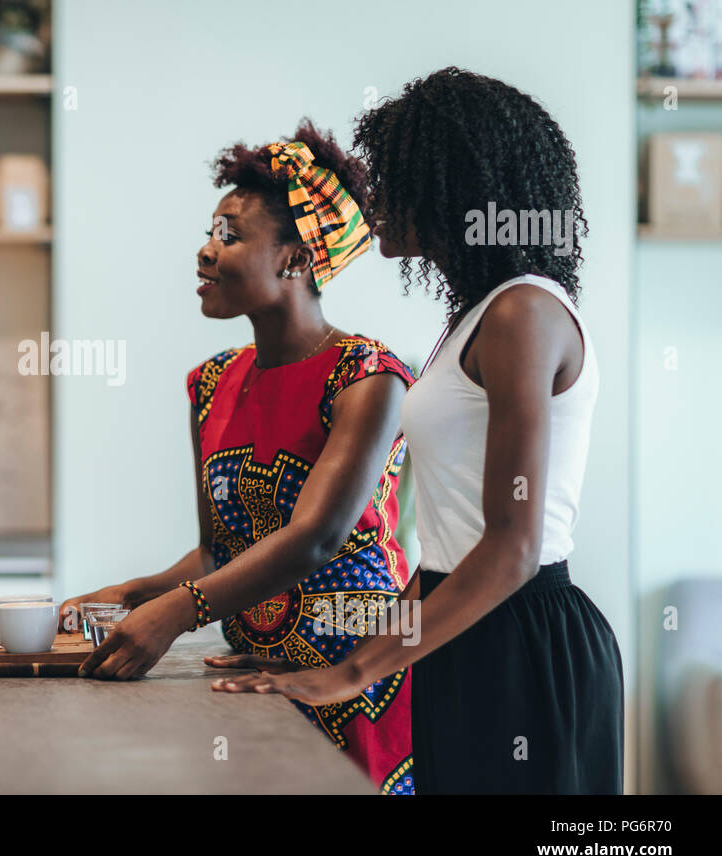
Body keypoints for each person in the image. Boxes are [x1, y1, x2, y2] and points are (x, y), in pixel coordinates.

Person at [212, 67, 624, 794]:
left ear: (452, 187)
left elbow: (512, 547)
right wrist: (328, 659)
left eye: (395, 178)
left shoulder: (520, 313)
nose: (373, 200)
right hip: (458, 627)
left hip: (520, 640)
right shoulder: (476, 315)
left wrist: (353, 670)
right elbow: (444, 556)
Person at [61, 121, 419, 794]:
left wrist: (175, 614)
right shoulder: (209, 382)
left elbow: (317, 537)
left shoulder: (367, 375)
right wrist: (128, 595)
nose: (205, 251)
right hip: (251, 674)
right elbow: (218, 553)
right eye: (210, 231)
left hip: (356, 674)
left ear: (296, 258)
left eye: (230, 235)